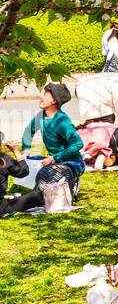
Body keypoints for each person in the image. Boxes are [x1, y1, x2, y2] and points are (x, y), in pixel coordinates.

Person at [0, 82, 84, 217]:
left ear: (54, 100)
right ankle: (41, 191)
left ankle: (69, 185)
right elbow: (29, 131)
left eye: (45, 94)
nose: (41, 97)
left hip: (71, 163)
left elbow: (77, 144)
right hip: (52, 160)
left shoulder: (62, 121)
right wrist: (26, 150)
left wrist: (55, 157)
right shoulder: (41, 116)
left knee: (49, 173)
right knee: (27, 162)